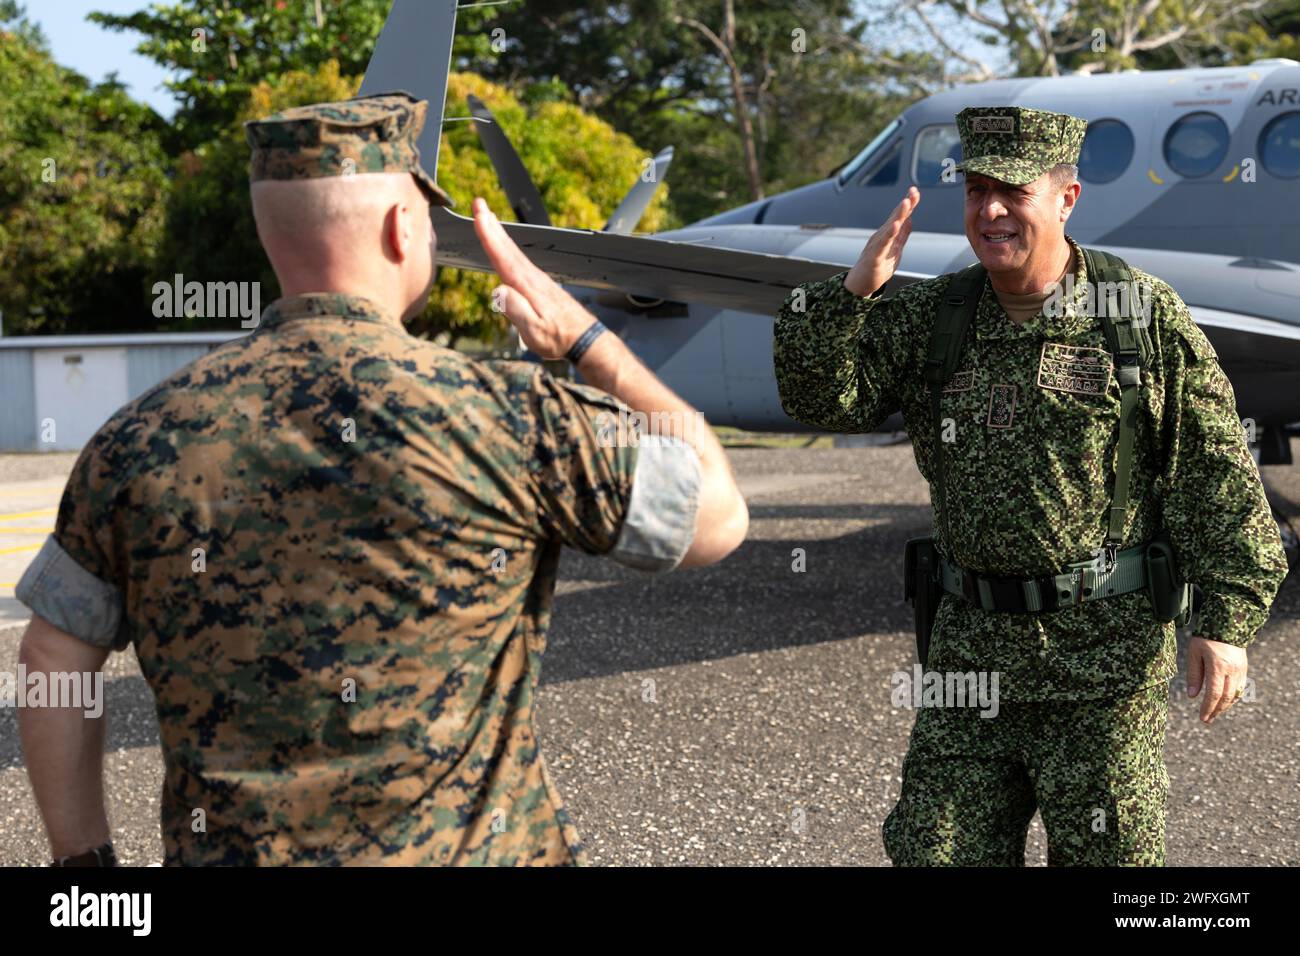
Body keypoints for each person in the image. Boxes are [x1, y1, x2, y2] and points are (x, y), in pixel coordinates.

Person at [16, 91, 748, 866]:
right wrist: (586, 338)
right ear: (405, 228)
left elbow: (52, 663)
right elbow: (717, 517)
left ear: (271, 237)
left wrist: (84, 871)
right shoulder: (509, 414)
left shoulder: (135, 440)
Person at [773, 105, 1288, 865]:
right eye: (977, 190)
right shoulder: (933, 318)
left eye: (1012, 192)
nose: (990, 211)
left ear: (1065, 199)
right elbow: (822, 401)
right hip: (969, 660)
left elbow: (1212, 473)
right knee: (932, 851)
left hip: (1102, 668)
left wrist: (1227, 622)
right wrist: (853, 295)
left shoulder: (1136, 317)